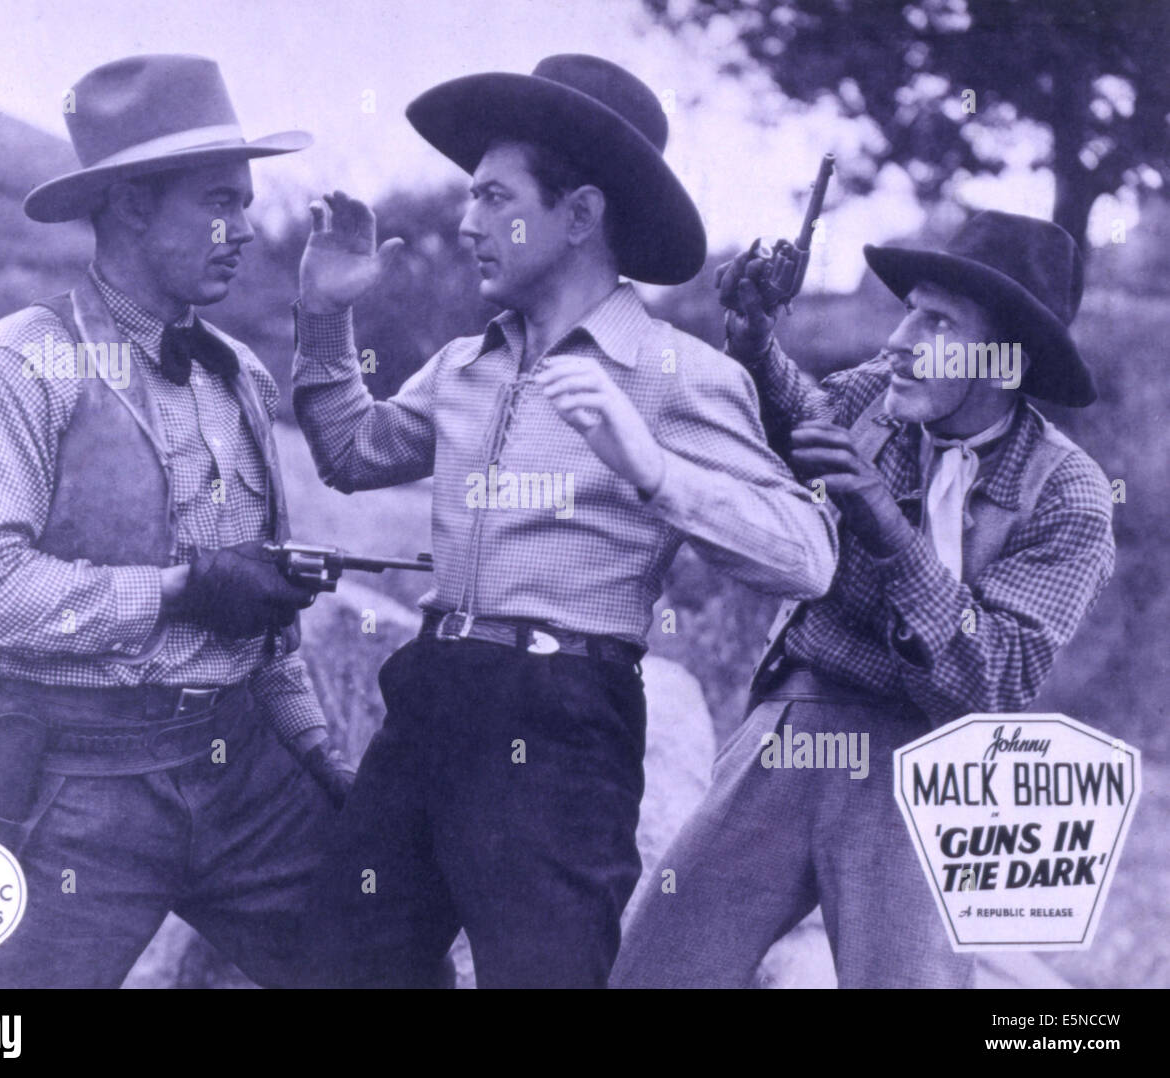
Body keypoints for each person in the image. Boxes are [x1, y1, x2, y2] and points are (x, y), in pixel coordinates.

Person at [290, 54, 838, 988]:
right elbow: (351, 454)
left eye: (492, 197)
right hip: (430, 697)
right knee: (342, 967)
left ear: (579, 215)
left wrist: (654, 468)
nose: (465, 224)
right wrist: (322, 316)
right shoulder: (465, 364)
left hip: (560, 725)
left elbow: (806, 555)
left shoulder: (682, 377)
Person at [0, 54, 353, 988]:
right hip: (69, 786)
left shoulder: (238, 370)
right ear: (128, 207)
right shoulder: (11, 369)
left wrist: (320, 756)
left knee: (388, 969)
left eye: (244, 200)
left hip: (248, 777)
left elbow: (266, 624)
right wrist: (182, 589)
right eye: (216, 203)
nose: (241, 230)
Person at [611, 210, 1117, 988]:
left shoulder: (1069, 493)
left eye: (936, 322)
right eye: (907, 309)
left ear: (1007, 364)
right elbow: (794, 416)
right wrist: (752, 341)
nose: (897, 341)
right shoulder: (878, 396)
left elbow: (996, 685)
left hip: (931, 767)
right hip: (797, 723)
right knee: (654, 968)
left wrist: (884, 523)